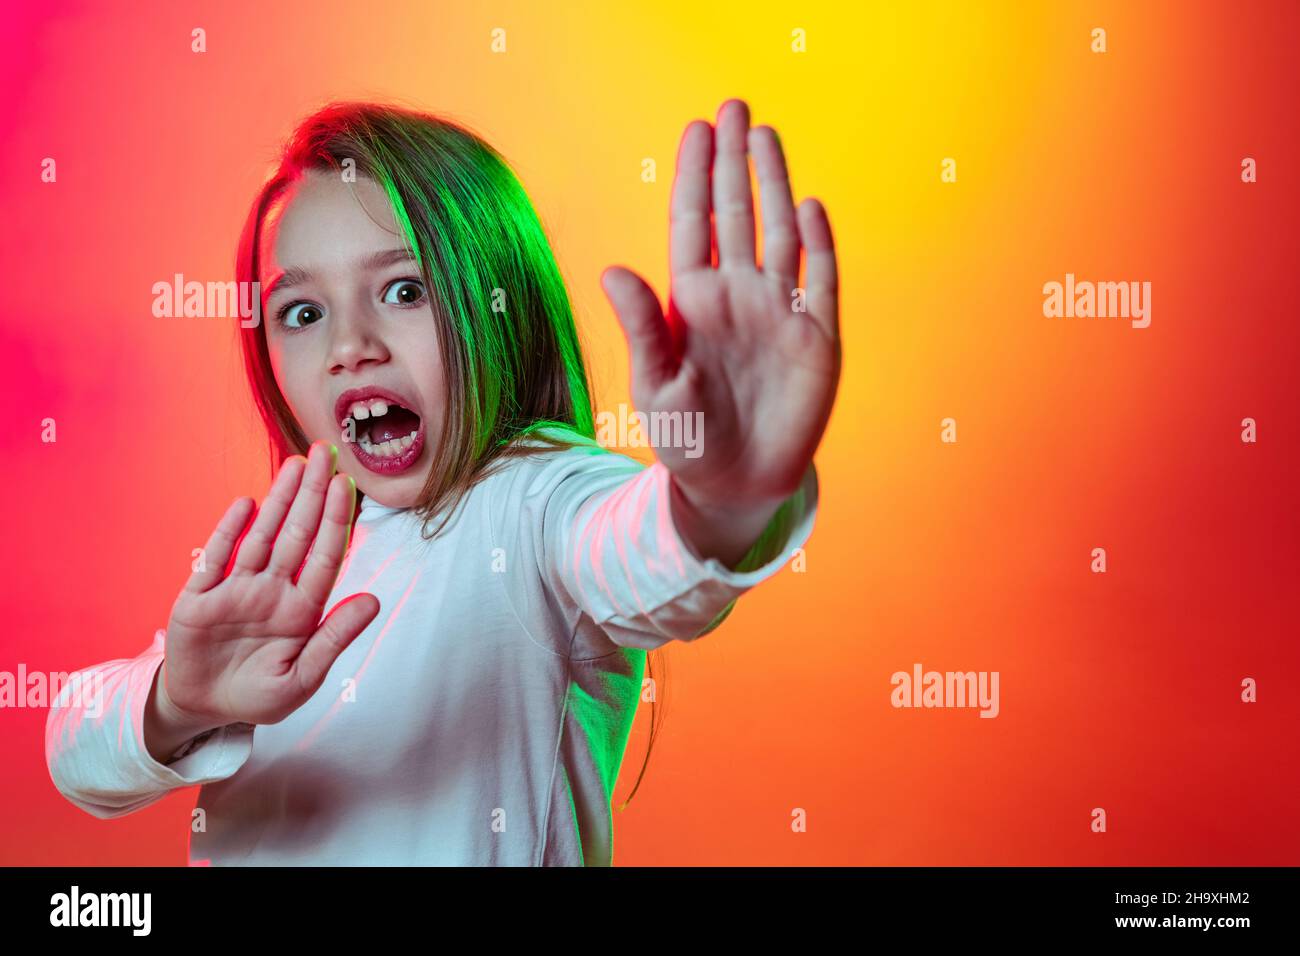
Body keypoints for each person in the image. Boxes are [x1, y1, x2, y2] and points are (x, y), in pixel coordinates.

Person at [45, 97, 840, 865]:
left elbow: (639, 552)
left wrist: (723, 497)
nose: (350, 346)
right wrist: (180, 703)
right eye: (302, 312)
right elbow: (74, 750)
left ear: (501, 305)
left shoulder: (533, 497)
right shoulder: (292, 566)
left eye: (403, 290)